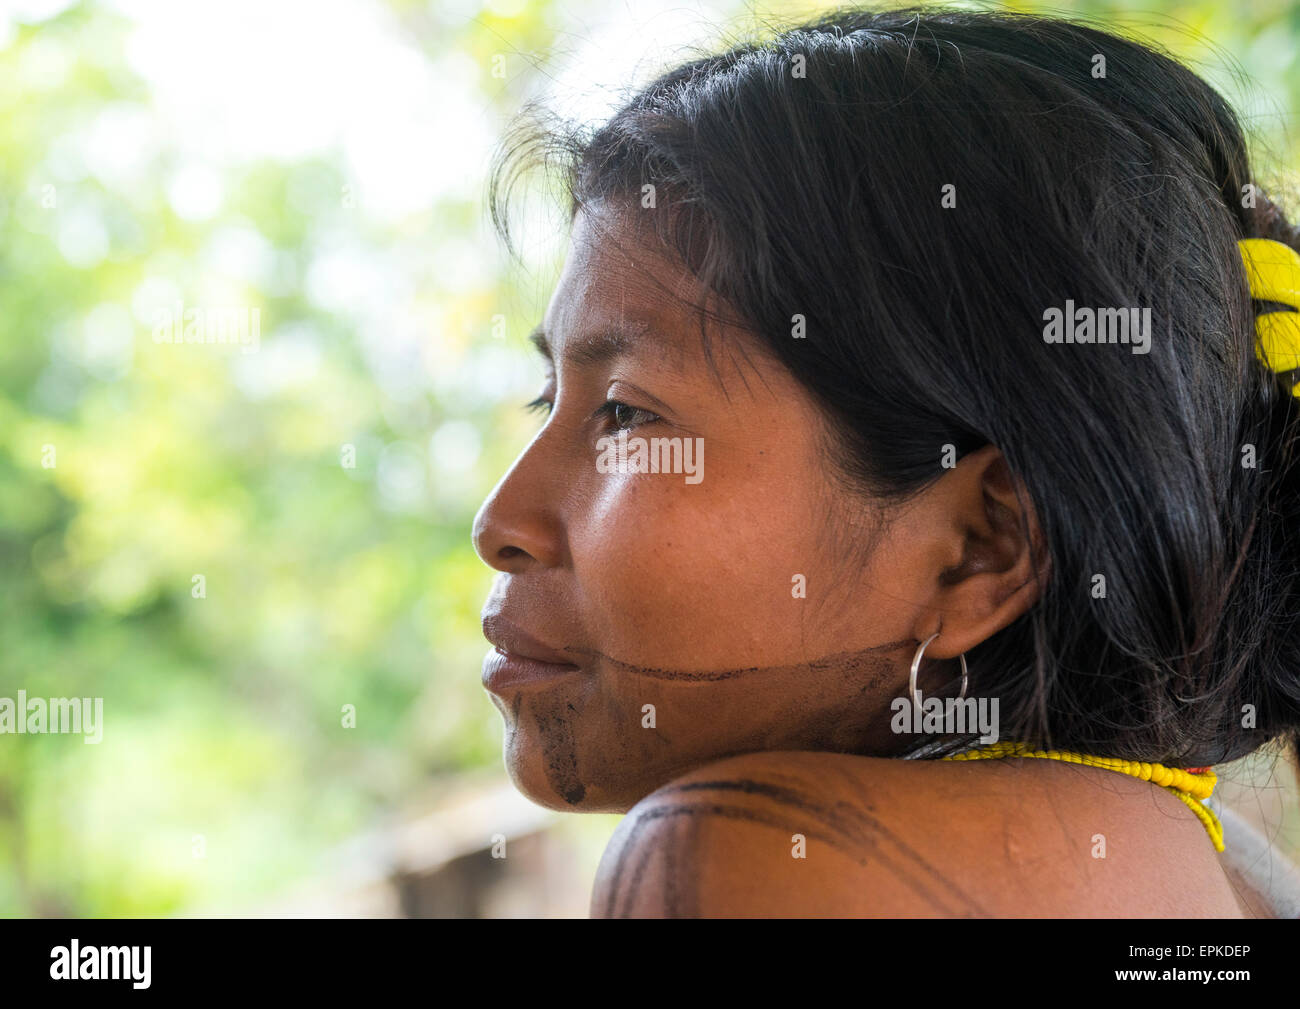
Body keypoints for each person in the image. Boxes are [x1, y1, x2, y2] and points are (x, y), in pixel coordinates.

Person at [472, 5, 1300, 916]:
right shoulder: (1222, 869)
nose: (500, 523)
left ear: (981, 548)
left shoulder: (751, 858)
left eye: (627, 415)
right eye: (548, 401)